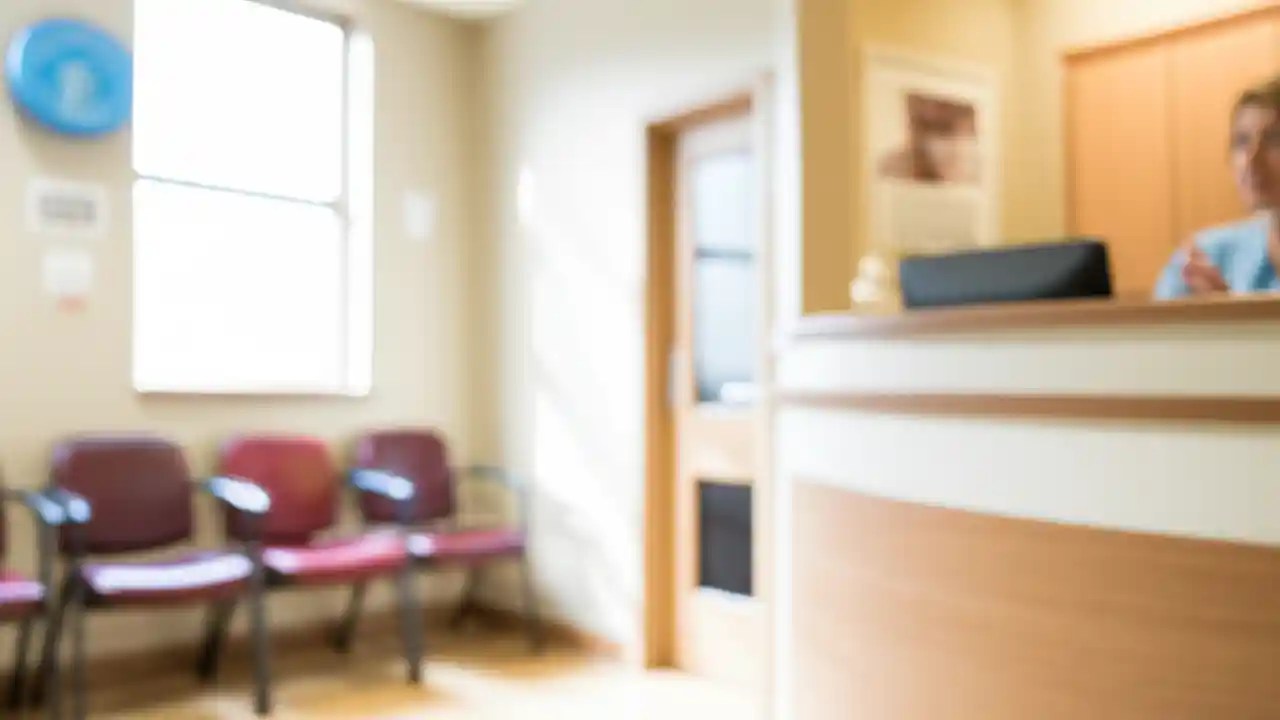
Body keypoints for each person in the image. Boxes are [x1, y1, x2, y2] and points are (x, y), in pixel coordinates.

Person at [1155, 76, 1280, 299]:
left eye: (1274, 140)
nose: (1251, 160)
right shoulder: (1206, 254)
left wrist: (1236, 321)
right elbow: (1153, 330)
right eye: (1241, 141)